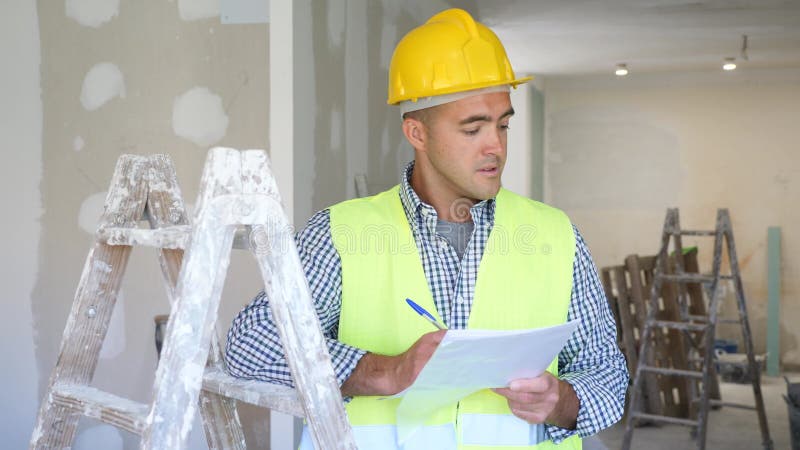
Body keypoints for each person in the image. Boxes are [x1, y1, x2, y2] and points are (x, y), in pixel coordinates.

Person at [226, 8, 627, 449]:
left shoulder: (556, 236)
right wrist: (387, 371)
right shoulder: (342, 233)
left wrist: (561, 400)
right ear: (417, 133)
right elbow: (251, 345)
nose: (495, 146)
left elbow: (606, 375)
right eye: (473, 129)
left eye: (503, 125)